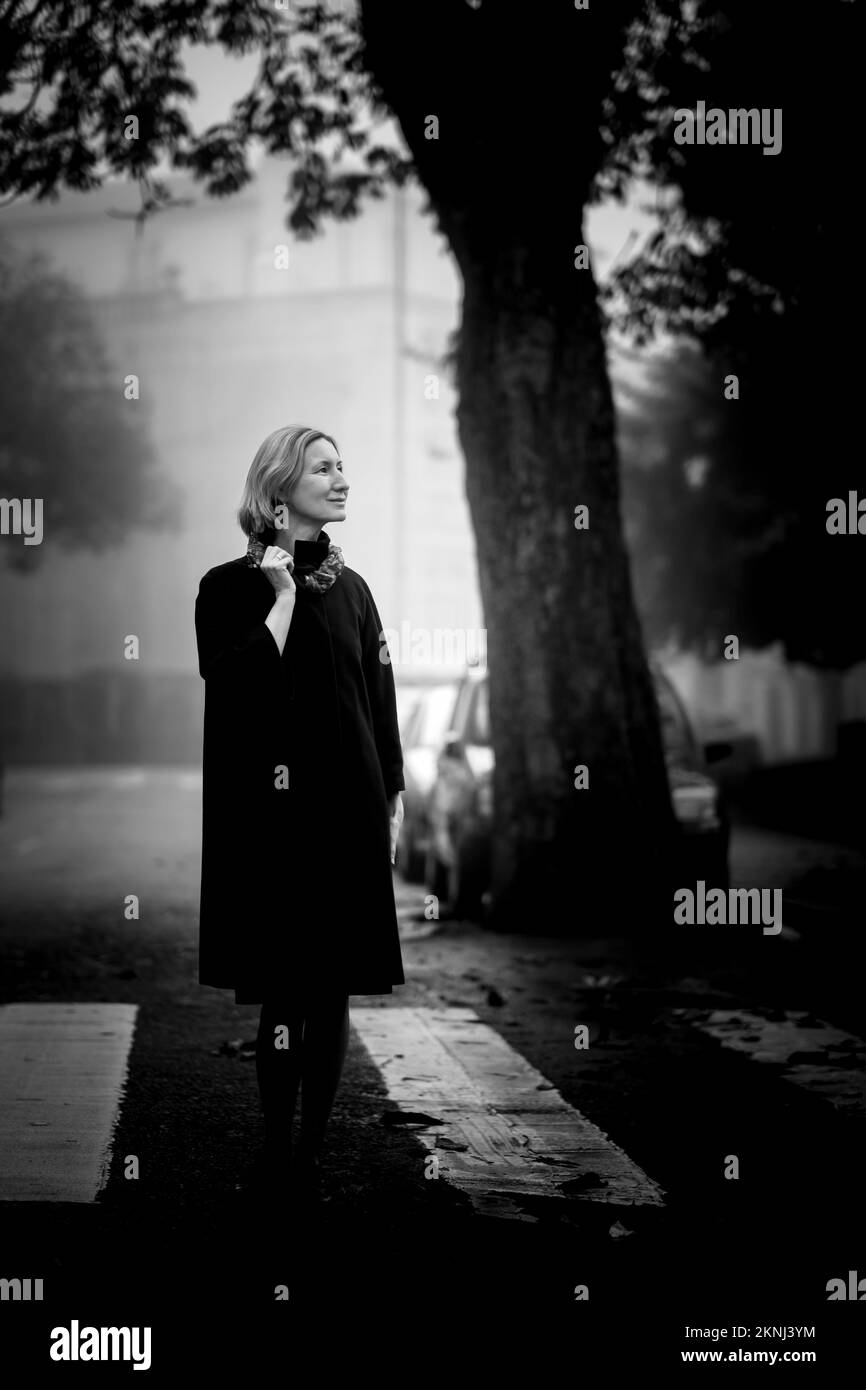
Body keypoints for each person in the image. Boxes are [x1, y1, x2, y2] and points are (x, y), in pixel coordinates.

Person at [194, 424, 405, 1204]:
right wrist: (281, 597)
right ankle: (275, 1152)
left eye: (344, 465)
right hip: (275, 825)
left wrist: (394, 794)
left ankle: (311, 1157)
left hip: (349, 815)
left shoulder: (355, 591)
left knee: (334, 989)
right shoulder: (227, 588)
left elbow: (377, 700)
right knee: (287, 990)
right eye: (325, 468)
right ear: (281, 490)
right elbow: (239, 681)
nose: (343, 478)